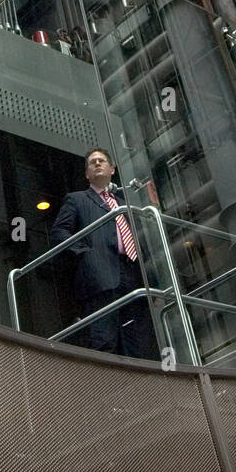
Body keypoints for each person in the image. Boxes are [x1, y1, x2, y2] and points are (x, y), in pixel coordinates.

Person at [50, 148, 157, 359]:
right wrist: (86, 254)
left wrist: (151, 281)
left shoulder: (125, 203)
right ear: (87, 174)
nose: (97, 163)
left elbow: (140, 243)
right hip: (100, 278)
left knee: (139, 343)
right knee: (105, 341)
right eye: (92, 162)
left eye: (102, 161)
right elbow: (59, 232)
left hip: (133, 275)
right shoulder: (77, 199)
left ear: (112, 170)